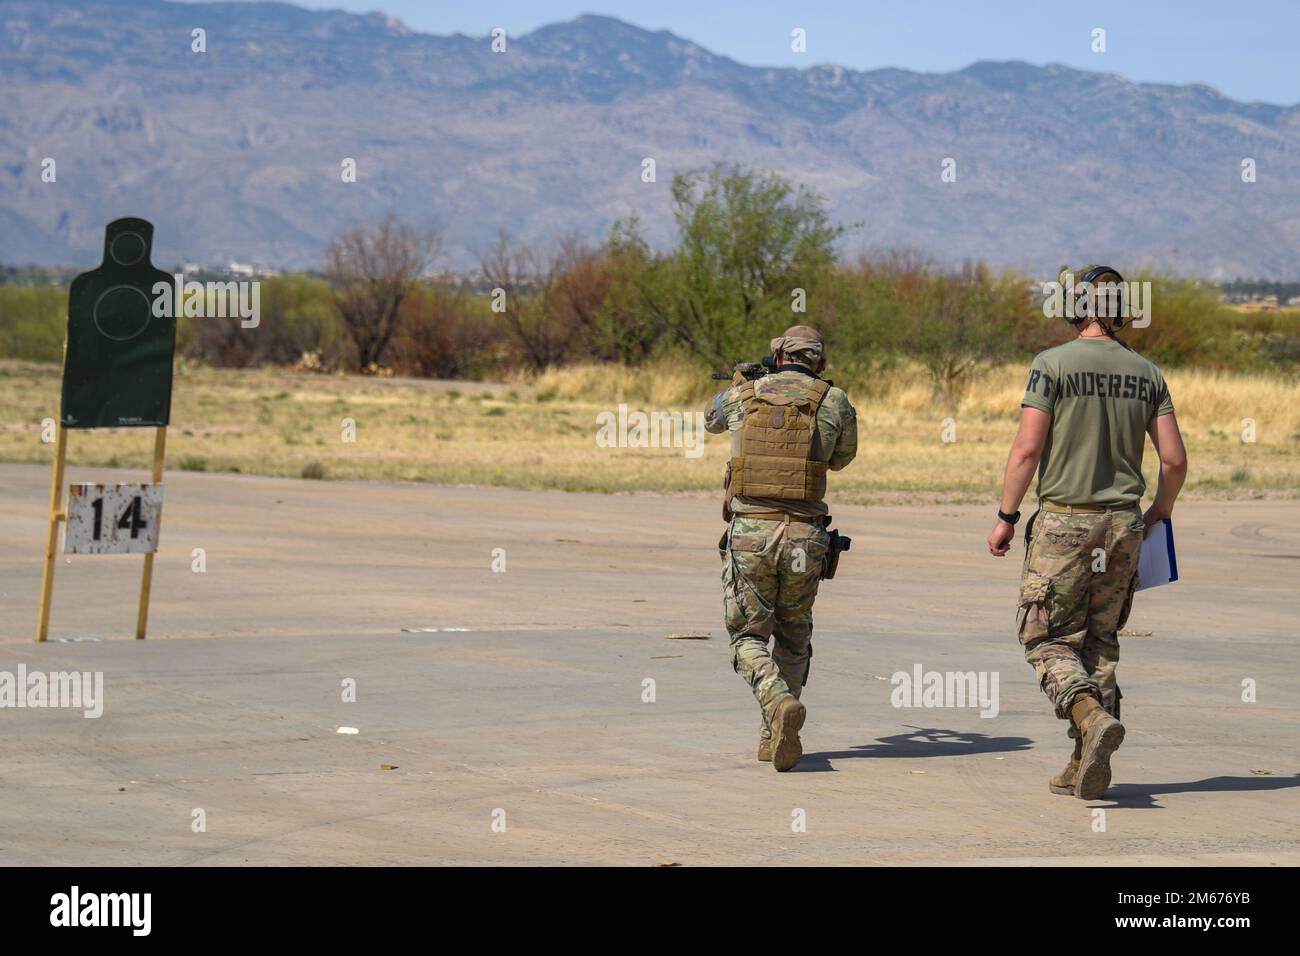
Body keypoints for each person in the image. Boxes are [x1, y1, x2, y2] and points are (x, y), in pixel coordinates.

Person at [987, 265, 1187, 799]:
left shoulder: (1050, 364)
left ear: (1075, 309)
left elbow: (1027, 449)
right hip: (1123, 525)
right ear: (1121, 312)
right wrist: (1157, 515)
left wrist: (1006, 517)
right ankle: (1084, 760)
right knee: (1101, 639)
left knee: (1045, 636)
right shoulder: (1147, 372)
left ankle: (1086, 714)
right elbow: (1173, 460)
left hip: (1064, 522)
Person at [705, 325, 858, 772]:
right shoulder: (833, 400)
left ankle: (775, 702)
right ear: (820, 363)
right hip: (805, 537)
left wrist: (741, 383)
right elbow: (842, 458)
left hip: (751, 533)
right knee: (794, 633)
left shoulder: (744, 395)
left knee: (747, 637)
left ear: (777, 357)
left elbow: (709, 421)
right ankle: (774, 732)